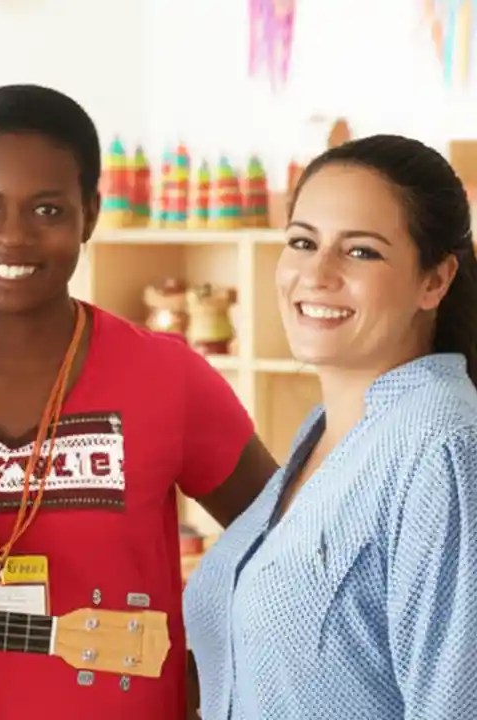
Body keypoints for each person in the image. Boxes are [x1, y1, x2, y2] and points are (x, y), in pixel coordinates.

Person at [0, 84, 278, 720]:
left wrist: (207, 668)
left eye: (47, 211)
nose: (11, 237)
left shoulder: (168, 375)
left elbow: (283, 548)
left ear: (91, 213)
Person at [184, 134, 477, 719]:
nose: (316, 274)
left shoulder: (443, 448)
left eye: (361, 252)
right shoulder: (327, 430)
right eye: (302, 242)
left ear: (435, 280)